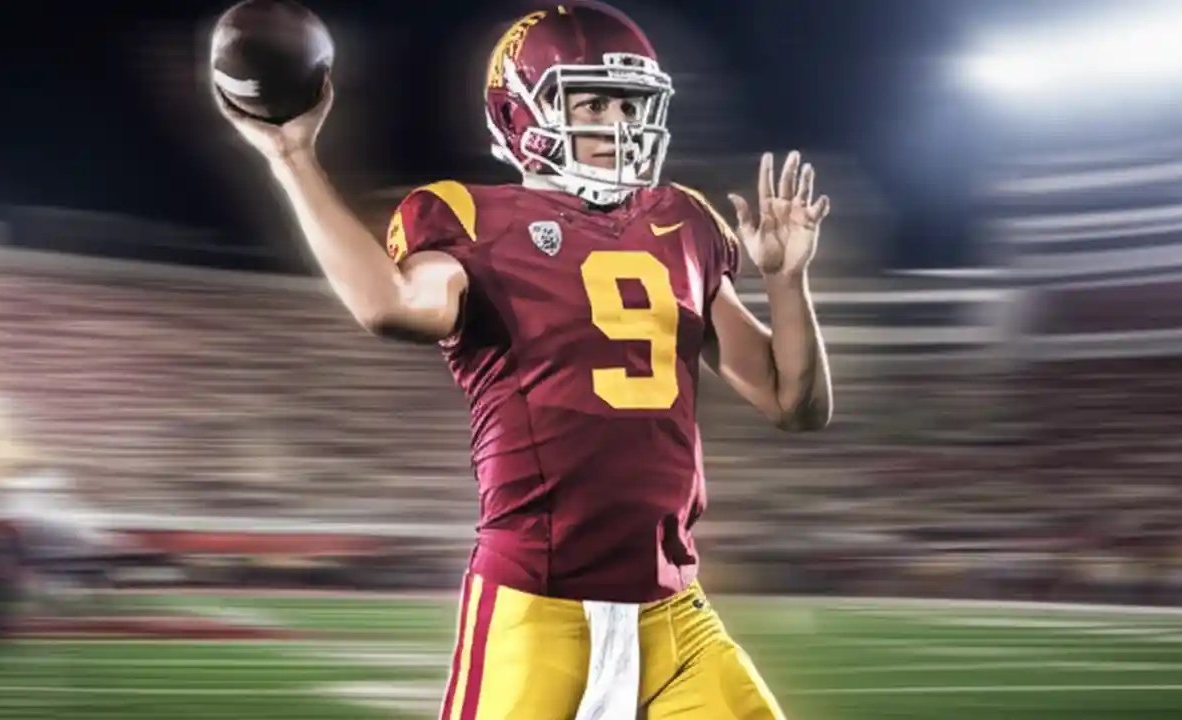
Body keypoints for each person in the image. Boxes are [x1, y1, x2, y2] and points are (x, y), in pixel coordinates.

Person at [215, 2, 832, 717]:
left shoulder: (684, 223)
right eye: (591, 101)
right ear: (518, 114)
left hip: (675, 616)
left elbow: (796, 405)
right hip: (536, 611)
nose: (617, 124)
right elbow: (389, 305)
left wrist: (788, 282)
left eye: (629, 104)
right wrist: (293, 158)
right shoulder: (471, 219)